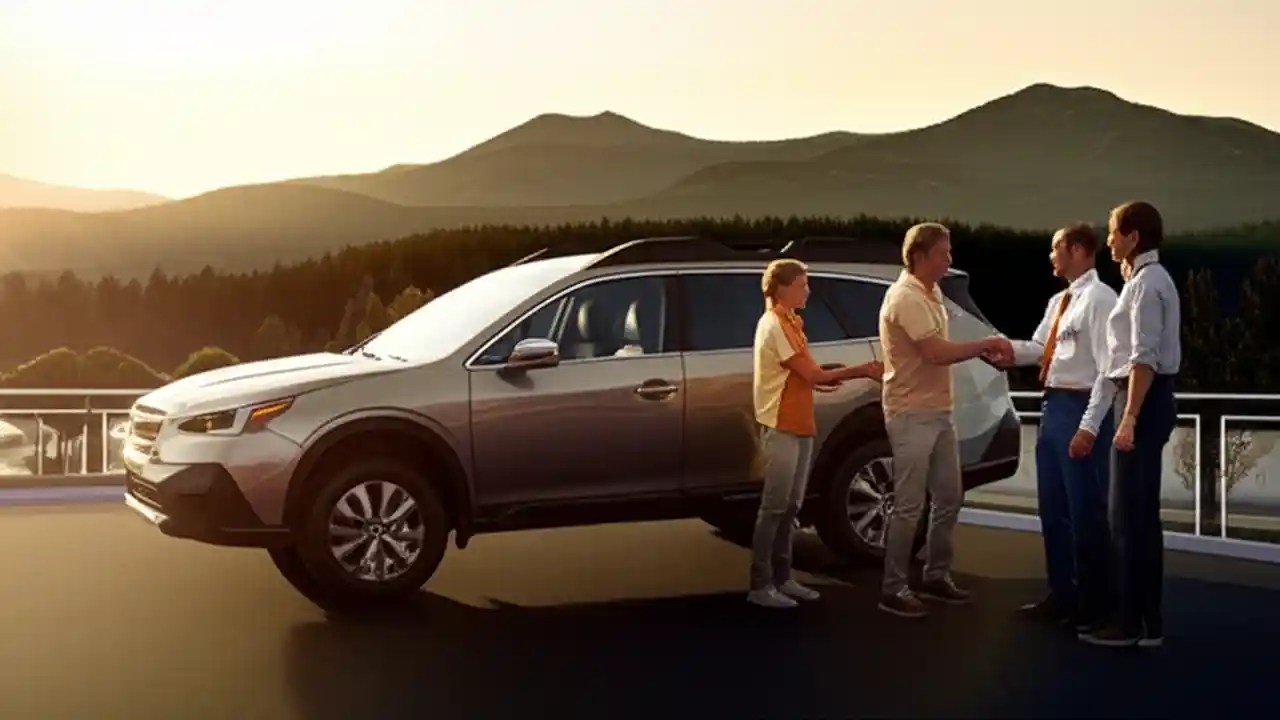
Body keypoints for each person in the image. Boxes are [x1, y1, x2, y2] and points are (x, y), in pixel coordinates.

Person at [876, 222, 1014, 618]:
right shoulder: (905, 298)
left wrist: (983, 351)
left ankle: (935, 575)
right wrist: (985, 345)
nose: (949, 261)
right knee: (908, 504)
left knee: (949, 496)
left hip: (937, 412)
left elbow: (945, 348)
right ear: (920, 256)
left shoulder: (930, 292)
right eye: (943, 254)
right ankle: (893, 587)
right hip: (911, 415)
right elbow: (935, 352)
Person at [992, 224, 1118, 630]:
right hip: (1054, 407)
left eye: (1055, 249)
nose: (1050, 257)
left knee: (1085, 511)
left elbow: (1108, 371)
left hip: (1080, 407)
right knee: (1054, 510)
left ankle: (1094, 603)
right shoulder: (1060, 301)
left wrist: (1089, 426)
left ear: (1077, 250)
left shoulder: (1101, 300)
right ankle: (1062, 594)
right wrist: (1003, 350)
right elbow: (1039, 349)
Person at [747, 258, 885, 609]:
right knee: (774, 507)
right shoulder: (775, 325)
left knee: (790, 505)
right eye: (803, 285)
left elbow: (805, 375)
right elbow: (811, 375)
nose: (808, 290)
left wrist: (827, 378)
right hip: (781, 425)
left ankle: (781, 578)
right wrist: (863, 370)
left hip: (799, 423)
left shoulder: (791, 323)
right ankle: (761, 584)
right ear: (784, 288)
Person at [1075, 201, 1181, 648]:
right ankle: (1144, 620)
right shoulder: (1142, 281)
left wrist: (1130, 418)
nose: (1110, 240)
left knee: (1127, 517)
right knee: (1139, 517)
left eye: (1115, 232)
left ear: (1134, 237)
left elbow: (1143, 359)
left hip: (1142, 401)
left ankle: (1129, 622)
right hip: (1142, 400)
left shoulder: (1147, 285)